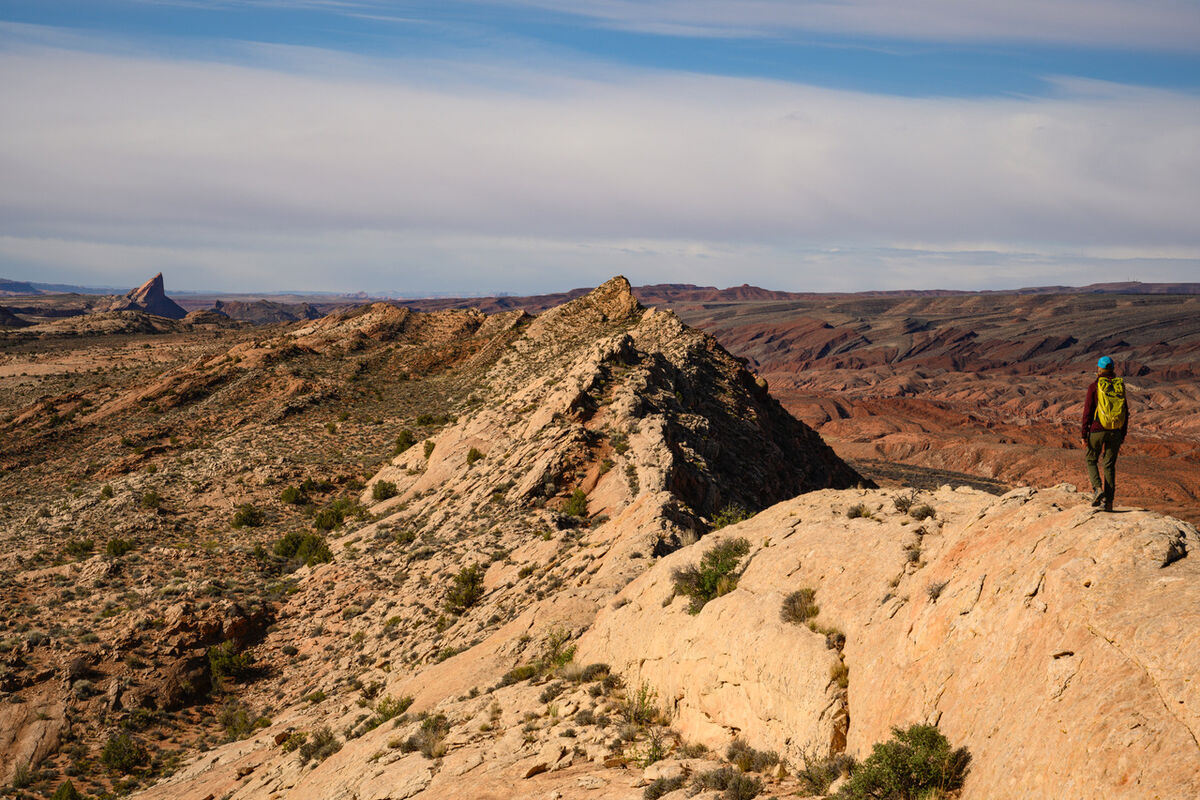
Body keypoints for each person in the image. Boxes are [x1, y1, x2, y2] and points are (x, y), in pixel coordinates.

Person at [1081, 356, 1129, 512]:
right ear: (1113, 369)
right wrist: (1122, 433)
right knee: (1109, 466)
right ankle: (1109, 503)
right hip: (1115, 431)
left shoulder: (1094, 387)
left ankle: (1097, 489)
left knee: (1091, 459)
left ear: (1099, 369)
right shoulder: (1119, 386)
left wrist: (1084, 434)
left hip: (1097, 429)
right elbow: (1125, 411)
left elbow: (1087, 412)